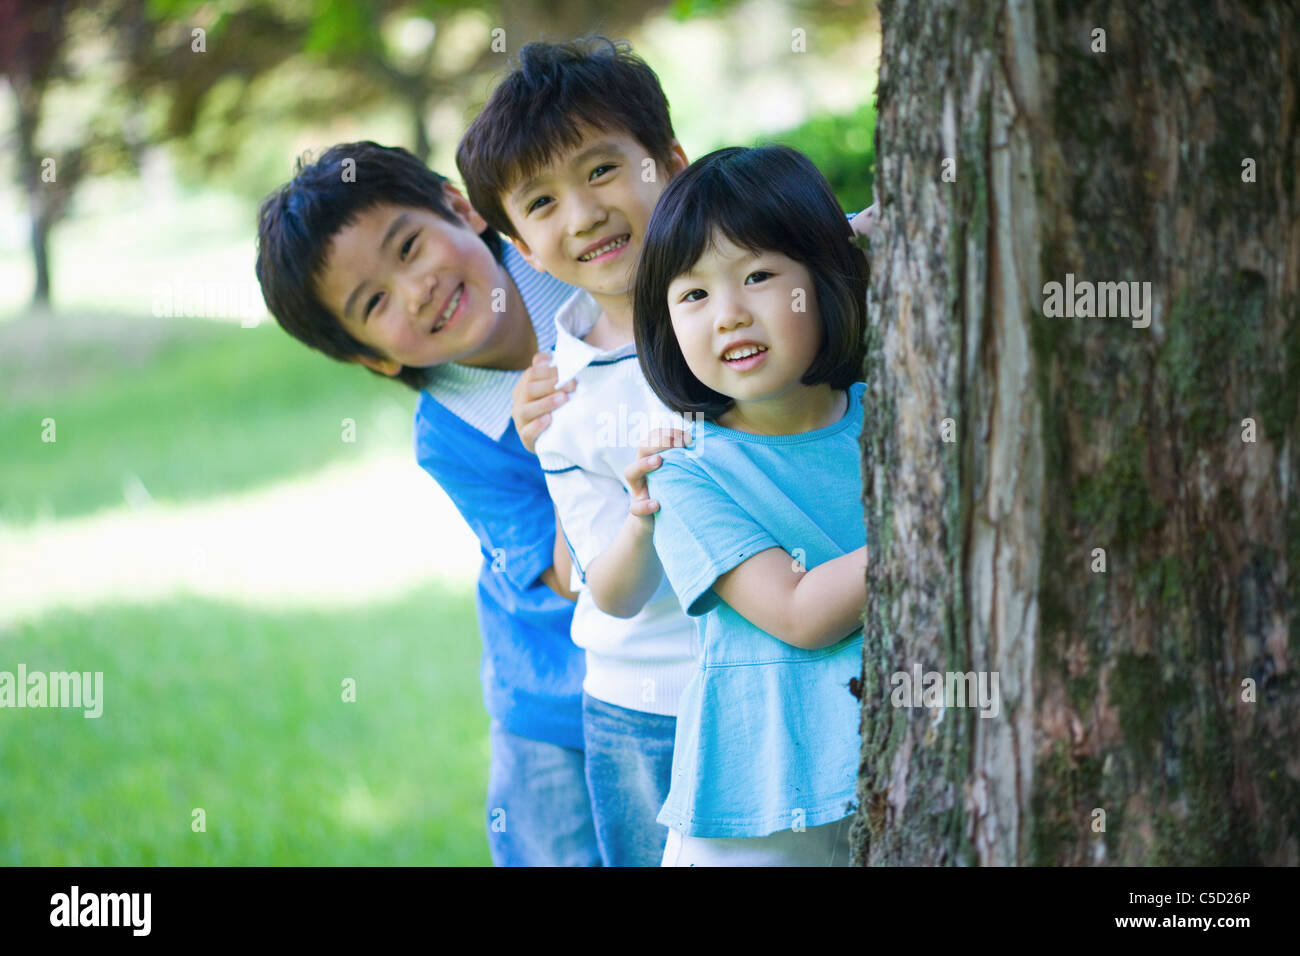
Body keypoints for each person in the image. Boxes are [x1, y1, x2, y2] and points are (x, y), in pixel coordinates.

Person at [254, 141, 599, 866]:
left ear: (461, 206)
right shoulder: (450, 438)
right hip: (551, 692)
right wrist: (565, 438)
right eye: (374, 303)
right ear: (373, 357)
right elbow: (569, 573)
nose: (416, 291)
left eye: (409, 247)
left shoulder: (590, 279)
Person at [456, 37, 700, 866]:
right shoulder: (561, 398)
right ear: (521, 248)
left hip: (791, 667)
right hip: (648, 704)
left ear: (671, 163)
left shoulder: (763, 295)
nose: (585, 214)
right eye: (543, 203)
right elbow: (608, 589)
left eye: (602, 172)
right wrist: (641, 514)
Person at [632, 144, 870, 866]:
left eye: (760, 276)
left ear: (825, 281)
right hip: (759, 808)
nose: (729, 315)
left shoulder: (891, 412)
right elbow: (798, 612)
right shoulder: (685, 470)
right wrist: (940, 529)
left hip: (889, 769)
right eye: (694, 294)